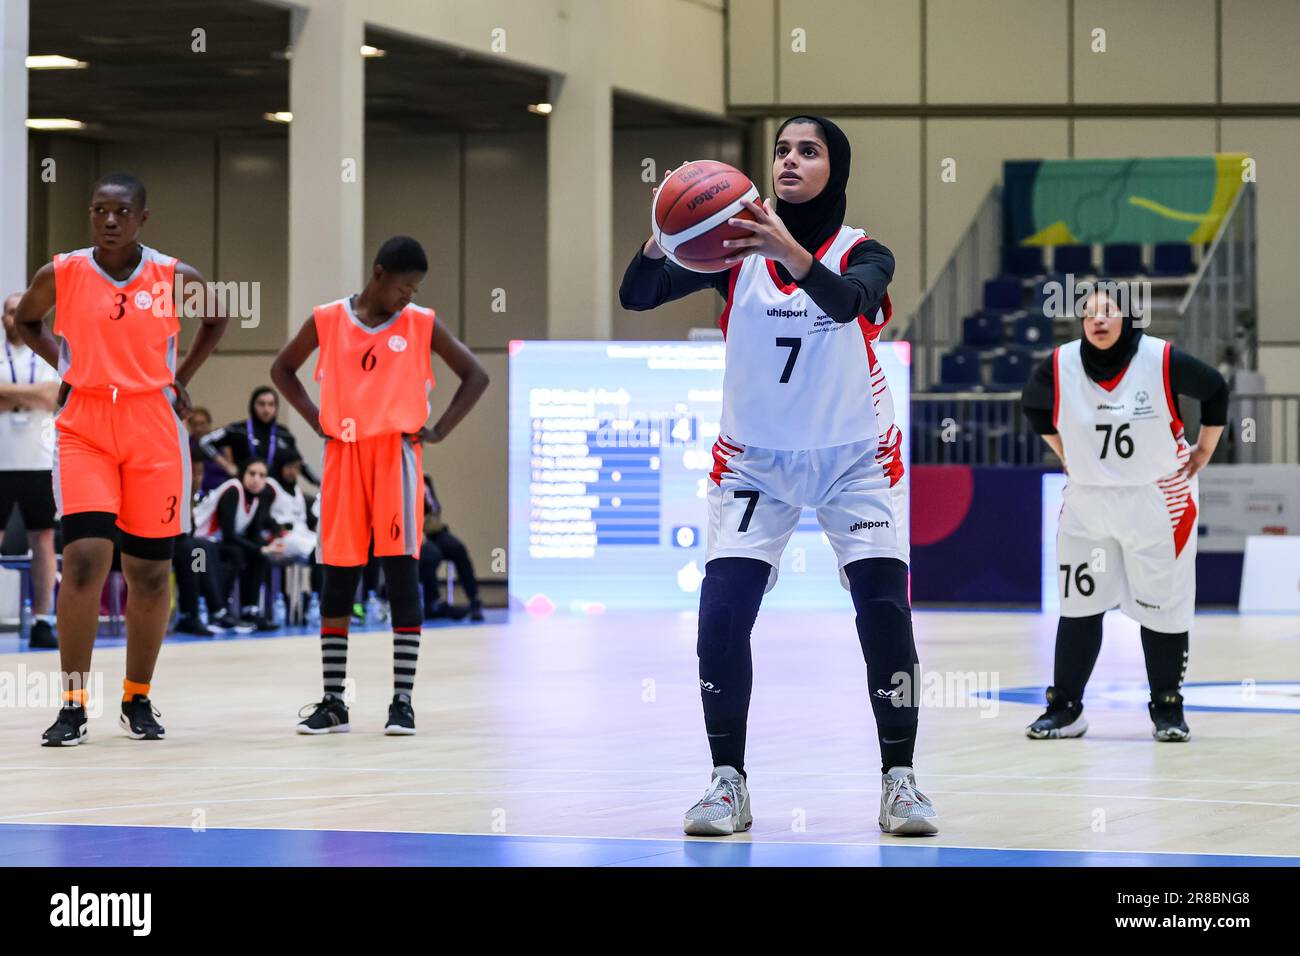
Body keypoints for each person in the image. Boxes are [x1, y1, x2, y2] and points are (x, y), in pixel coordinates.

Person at [619, 116, 937, 836]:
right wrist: (664, 233)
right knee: (721, 617)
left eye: (809, 151)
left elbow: (848, 303)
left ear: (836, 169)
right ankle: (727, 782)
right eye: (783, 150)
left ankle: (900, 779)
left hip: (854, 456)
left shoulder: (867, 251)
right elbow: (636, 296)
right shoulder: (730, 255)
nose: (790, 160)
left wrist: (787, 249)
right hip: (755, 462)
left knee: (883, 611)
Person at [14, 171, 227, 744]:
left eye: (121, 211)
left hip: (153, 427)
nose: (110, 220)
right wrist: (66, 363)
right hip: (85, 424)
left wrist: (180, 379)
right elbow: (24, 319)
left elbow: (218, 317)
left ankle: (137, 697)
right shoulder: (60, 271)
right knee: (84, 558)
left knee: (150, 572)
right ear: (90, 215)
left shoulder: (172, 275)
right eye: (100, 210)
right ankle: (73, 704)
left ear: (142, 218)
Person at [272, 236, 489, 736]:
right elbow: (282, 368)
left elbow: (475, 376)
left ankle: (402, 701)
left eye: (415, 289)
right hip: (343, 455)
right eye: (403, 287)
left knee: (400, 573)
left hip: (396, 455)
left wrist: (438, 430)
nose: (408, 297)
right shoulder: (328, 318)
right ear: (378, 275)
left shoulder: (420, 323)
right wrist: (315, 417)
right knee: (338, 576)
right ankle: (334, 702)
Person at [1020, 289, 1228, 742]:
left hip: (1157, 501)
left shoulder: (1160, 358)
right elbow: (1033, 405)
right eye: (1089, 312)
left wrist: (1206, 448)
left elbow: (1215, 388)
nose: (1097, 320)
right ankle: (1066, 709)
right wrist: (1064, 451)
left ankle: (1167, 709)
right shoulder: (1060, 364)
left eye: (1108, 311)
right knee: (1079, 606)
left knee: (1162, 610)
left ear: (1127, 318)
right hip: (1088, 503)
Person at [0, 292, 62, 648]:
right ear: (4, 319)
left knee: (43, 540)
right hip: (2, 462)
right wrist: (32, 395)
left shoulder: (49, 356)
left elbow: (54, 394)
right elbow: (41, 395)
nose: (15, 317)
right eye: (10, 312)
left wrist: (9, 395)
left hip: (39, 462)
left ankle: (42, 619)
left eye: (20, 311)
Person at [192, 457, 282, 630]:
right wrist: (261, 548)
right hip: (200, 544)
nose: (257, 479)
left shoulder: (256, 498)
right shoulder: (233, 490)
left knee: (259, 555)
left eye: (262, 475)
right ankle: (219, 611)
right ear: (243, 474)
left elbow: (254, 533)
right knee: (237, 552)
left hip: (219, 544)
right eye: (252, 473)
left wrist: (268, 546)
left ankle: (250, 609)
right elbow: (229, 534)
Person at [200, 386, 318, 487]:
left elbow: (301, 464)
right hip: (244, 494)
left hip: (274, 496)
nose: (266, 409)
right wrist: (227, 466)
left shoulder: (284, 434)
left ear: (276, 408)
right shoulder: (239, 429)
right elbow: (204, 442)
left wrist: (322, 484)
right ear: (253, 405)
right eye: (261, 404)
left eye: (271, 404)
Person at [171, 446, 227, 636]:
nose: (197, 478)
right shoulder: (174, 490)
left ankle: (215, 609)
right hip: (162, 542)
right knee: (193, 551)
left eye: (201, 473)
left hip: (184, 544)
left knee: (205, 548)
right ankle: (191, 614)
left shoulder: (192, 497)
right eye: (194, 473)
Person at [419, 474, 484, 622]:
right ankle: (432, 602)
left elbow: (435, 510)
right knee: (431, 555)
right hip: (416, 534)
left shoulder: (426, 480)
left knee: (457, 548)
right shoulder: (404, 479)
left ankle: (474, 599)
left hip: (434, 532)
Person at [185, 406, 228, 492]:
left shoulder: (221, 443)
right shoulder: (185, 446)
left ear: (209, 424)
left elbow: (230, 470)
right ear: (189, 426)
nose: (198, 428)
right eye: (194, 424)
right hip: (195, 492)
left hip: (221, 490)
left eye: (202, 424)